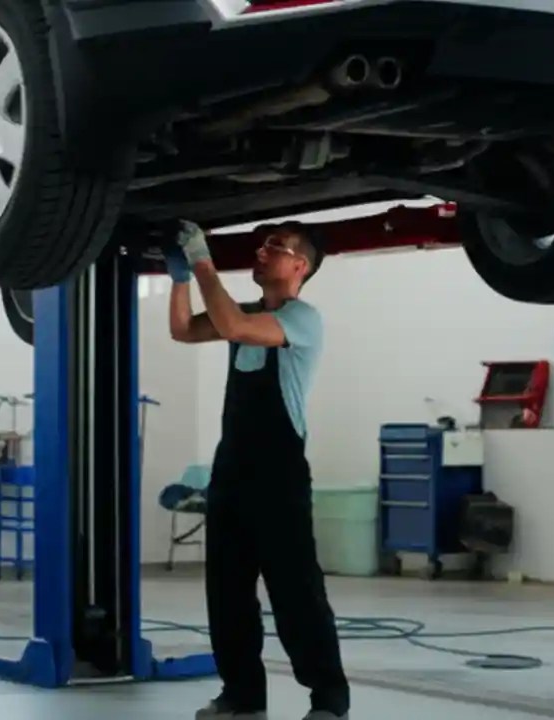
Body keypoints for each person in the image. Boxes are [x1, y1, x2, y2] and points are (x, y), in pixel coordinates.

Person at [165, 219, 350, 720]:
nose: (263, 251)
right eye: (263, 243)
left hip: (279, 476)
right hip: (231, 474)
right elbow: (183, 330)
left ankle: (329, 700)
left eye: (277, 246)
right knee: (227, 593)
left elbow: (232, 328)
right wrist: (179, 278)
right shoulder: (243, 312)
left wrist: (202, 261)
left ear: (300, 266)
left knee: (296, 591)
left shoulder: (302, 319)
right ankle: (243, 696)